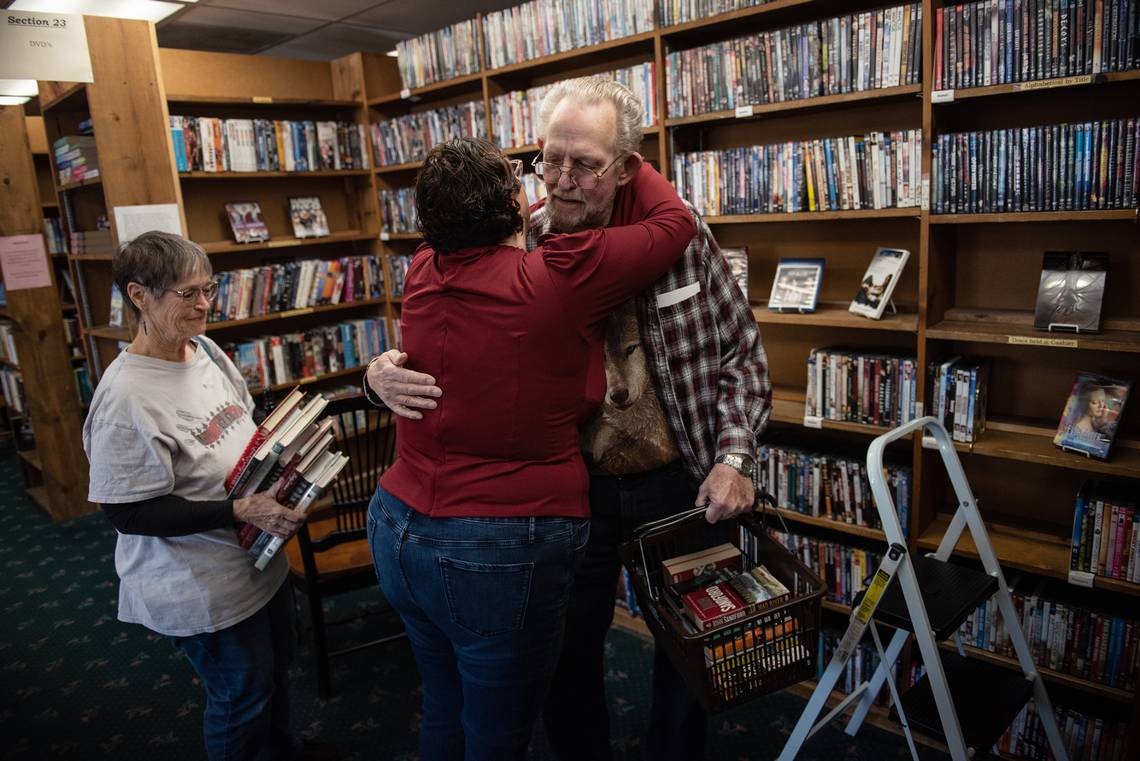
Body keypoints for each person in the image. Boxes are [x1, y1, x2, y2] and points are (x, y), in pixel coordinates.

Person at [367, 78, 771, 761]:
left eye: (584, 163)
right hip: (570, 494)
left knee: (688, 651)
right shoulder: (515, 239)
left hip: (678, 480)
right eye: (549, 158)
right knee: (563, 655)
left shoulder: (686, 239)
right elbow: (445, 345)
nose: (560, 178)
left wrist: (735, 459)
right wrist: (379, 374)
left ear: (625, 167)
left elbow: (744, 355)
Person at [82, 231, 333, 761]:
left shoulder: (206, 351)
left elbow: (241, 429)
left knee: (277, 672)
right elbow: (128, 512)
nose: (204, 305)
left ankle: (280, 751)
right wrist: (240, 508)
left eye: (209, 289)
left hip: (255, 559)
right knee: (241, 696)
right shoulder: (125, 397)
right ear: (139, 296)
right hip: (200, 585)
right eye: (187, 294)